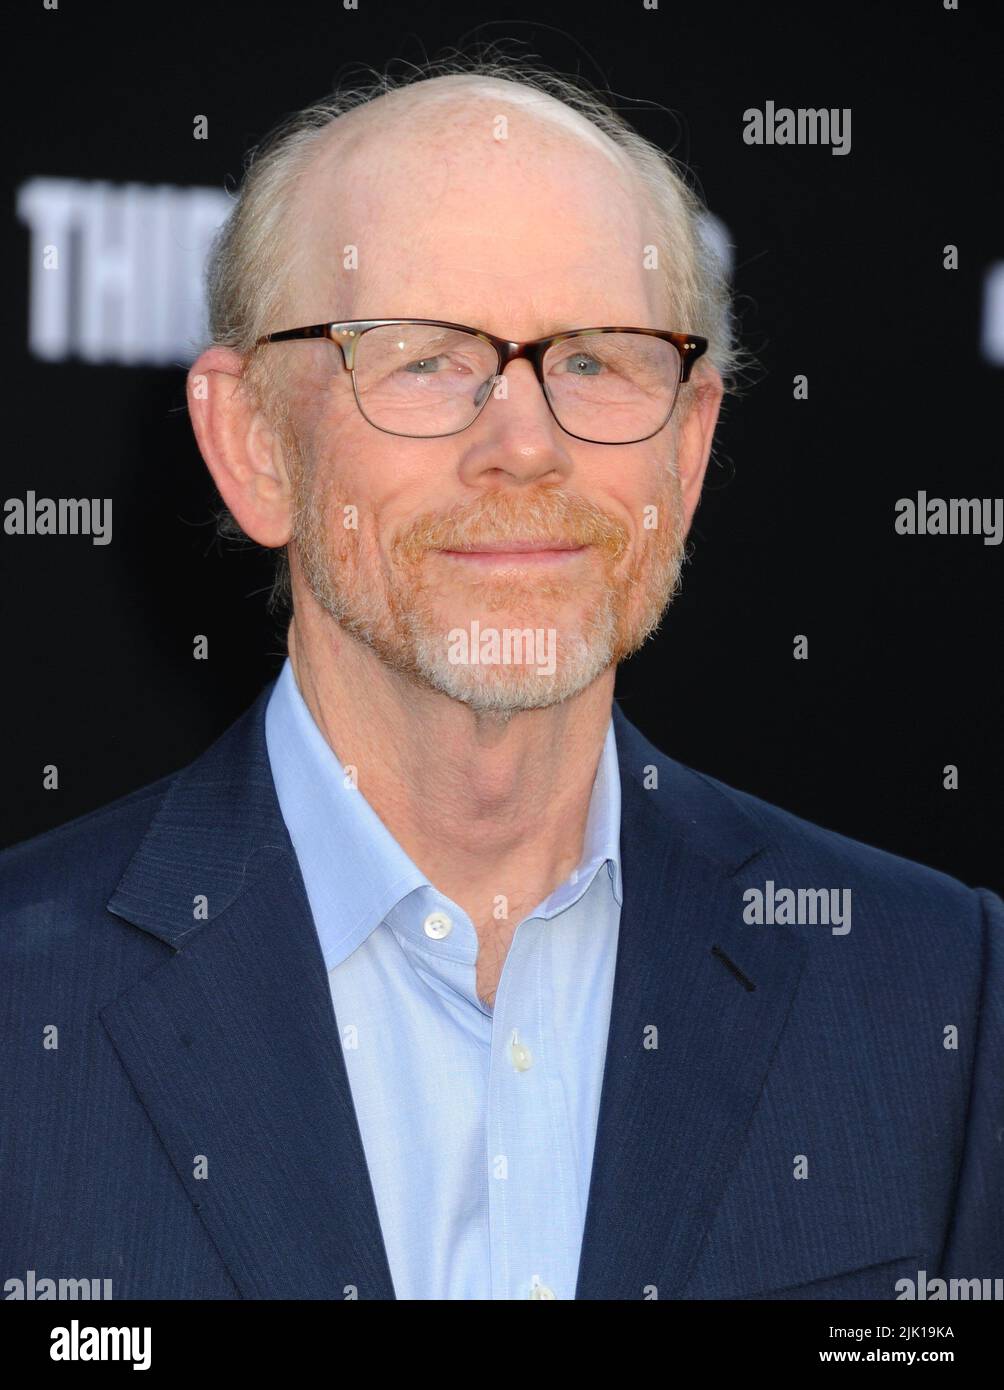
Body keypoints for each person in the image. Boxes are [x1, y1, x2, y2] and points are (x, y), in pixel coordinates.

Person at [2, 57, 1001, 1302]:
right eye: (421, 358)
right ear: (253, 444)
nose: (523, 444)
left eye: (595, 359)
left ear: (687, 451)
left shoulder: (933, 989)